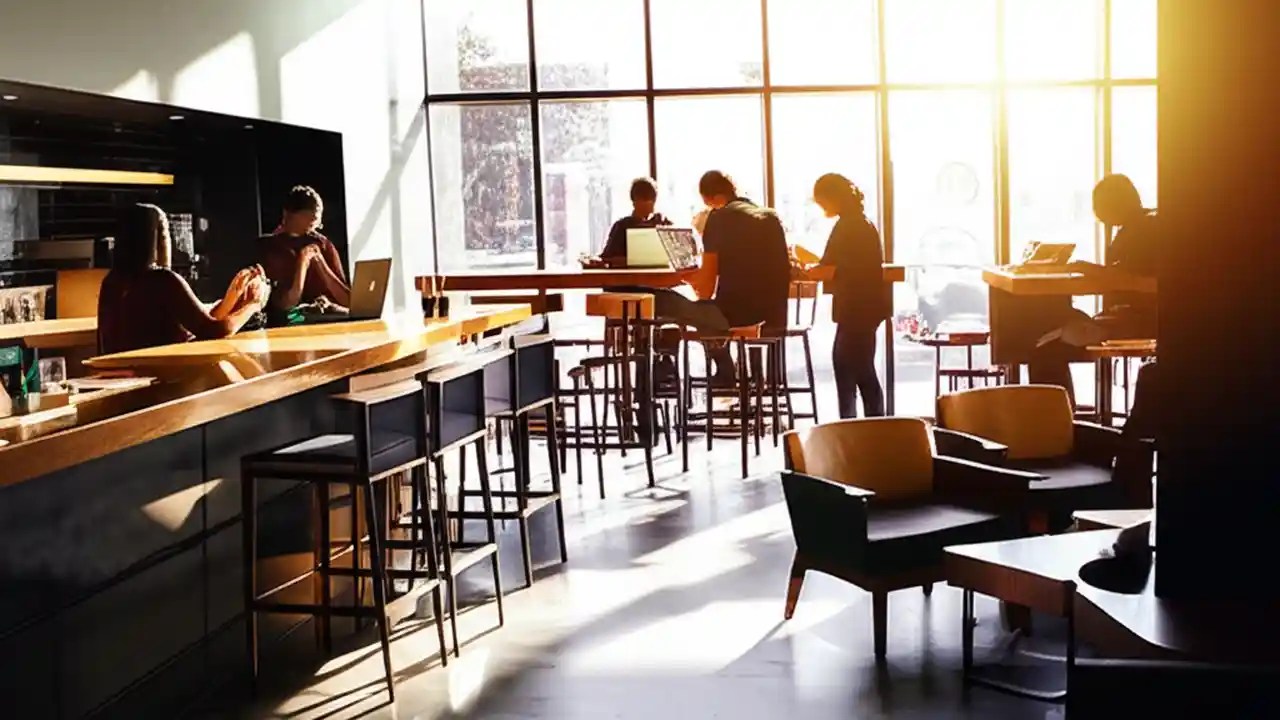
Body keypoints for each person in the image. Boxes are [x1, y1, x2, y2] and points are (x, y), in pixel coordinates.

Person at [1028, 174, 1159, 398]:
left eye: (1099, 204)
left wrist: (1086, 268)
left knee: (1045, 345)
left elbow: (1133, 278)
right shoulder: (1140, 225)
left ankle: (1057, 419)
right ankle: (1061, 415)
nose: (1096, 212)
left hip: (1135, 322)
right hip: (1130, 317)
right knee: (1058, 324)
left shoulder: (1145, 229)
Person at [98, 204, 269, 354]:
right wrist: (253, 304)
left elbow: (198, 321)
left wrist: (232, 296)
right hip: (164, 378)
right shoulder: (162, 281)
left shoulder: (111, 282)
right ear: (156, 240)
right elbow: (214, 330)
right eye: (165, 236)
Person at [802, 173, 888, 418]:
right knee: (859, 368)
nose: (821, 207)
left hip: (855, 307)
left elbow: (833, 269)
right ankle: (870, 424)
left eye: (822, 201)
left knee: (851, 368)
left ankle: (856, 425)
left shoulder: (848, 226)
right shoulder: (860, 223)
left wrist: (810, 271)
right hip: (866, 307)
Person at [259, 186, 351, 315]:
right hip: (291, 322)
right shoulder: (271, 247)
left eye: (316, 224)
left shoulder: (322, 244)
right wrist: (302, 264)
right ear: (288, 214)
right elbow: (287, 304)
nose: (315, 229)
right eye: (311, 221)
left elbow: (348, 300)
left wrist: (321, 265)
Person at [588, 177, 672, 266]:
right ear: (634, 201)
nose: (647, 205)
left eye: (650, 200)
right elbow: (607, 258)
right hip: (628, 277)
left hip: (660, 276)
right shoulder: (621, 227)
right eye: (643, 200)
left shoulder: (664, 225)